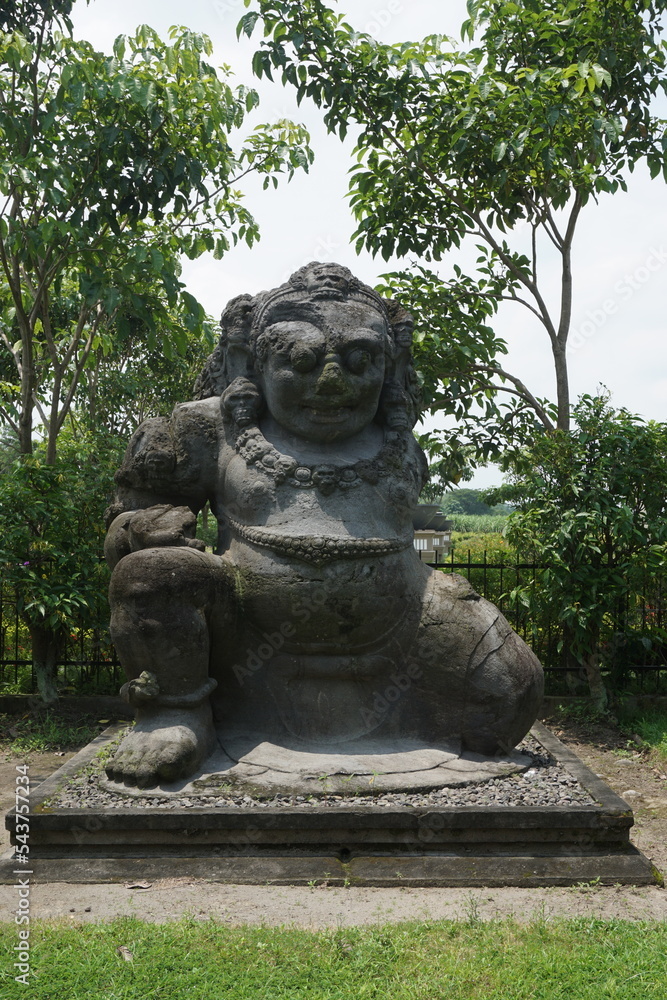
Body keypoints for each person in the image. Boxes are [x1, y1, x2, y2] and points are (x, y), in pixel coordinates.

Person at [103, 263, 543, 788]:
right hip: (245, 620)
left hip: (404, 619)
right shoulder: (212, 427)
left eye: (360, 362)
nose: (332, 384)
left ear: (389, 366)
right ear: (252, 363)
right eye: (300, 360)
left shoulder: (394, 435)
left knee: (510, 697)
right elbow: (129, 516)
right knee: (151, 575)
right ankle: (175, 712)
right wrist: (142, 528)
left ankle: (415, 719)